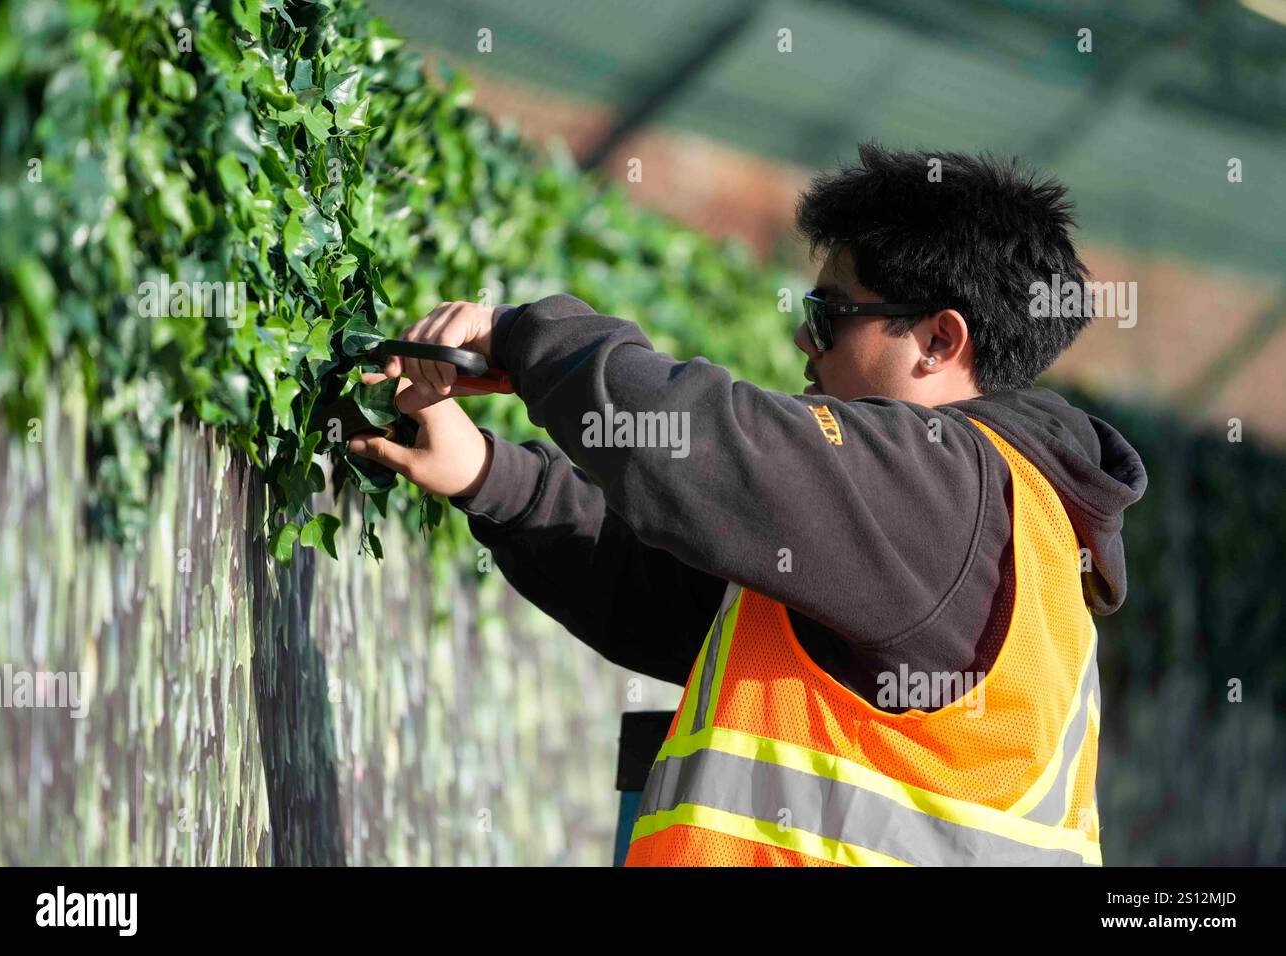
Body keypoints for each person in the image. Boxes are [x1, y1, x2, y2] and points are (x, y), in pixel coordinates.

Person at [347, 143, 1148, 867]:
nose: (804, 342)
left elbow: (712, 446)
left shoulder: (947, 489)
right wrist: (491, 476)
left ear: (940, 341)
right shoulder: (1010, 524)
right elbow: (684, 602)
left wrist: (524, 335)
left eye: (828, 316)